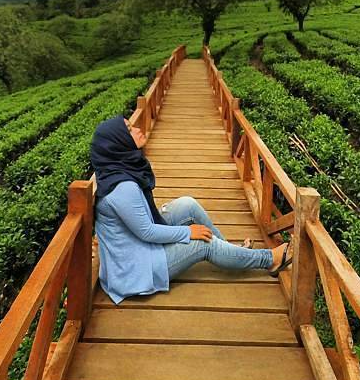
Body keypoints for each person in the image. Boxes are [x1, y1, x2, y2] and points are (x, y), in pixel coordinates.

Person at [90, 114, 293, 305]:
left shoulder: (117, 170)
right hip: (137, 269)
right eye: (129, 129)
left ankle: (231, 251)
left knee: (187, 204)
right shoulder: (123, 187)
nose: (138, 129)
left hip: (138, 249)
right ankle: (269, 259)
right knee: (203, 243)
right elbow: (147, 232)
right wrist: (188, 232)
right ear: (118, 142)